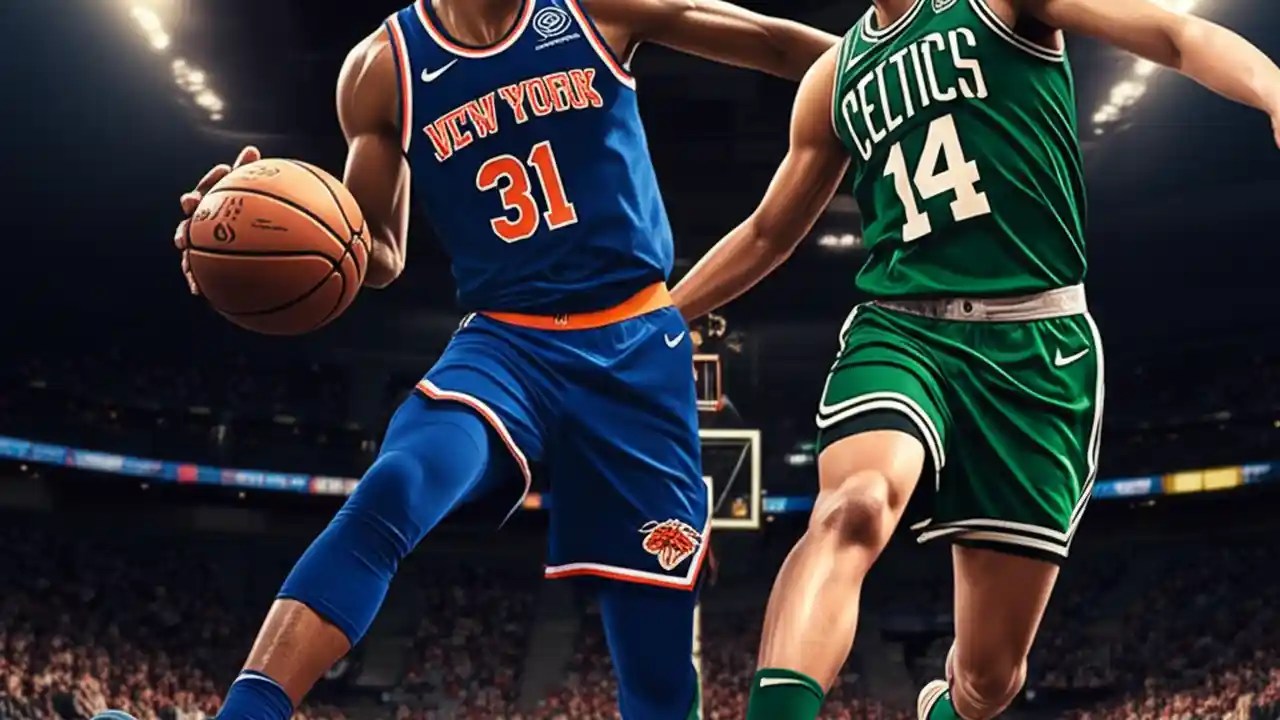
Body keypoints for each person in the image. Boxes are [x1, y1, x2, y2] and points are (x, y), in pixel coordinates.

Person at [171, 1, 834, 718]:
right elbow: (377, 254)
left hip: (635, 342)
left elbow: (780, 44)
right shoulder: (379, 68)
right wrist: (250, 221)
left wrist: (897, 74)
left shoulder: (594, 9)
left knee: (656, 652)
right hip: (506, 342)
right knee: (396, 483)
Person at [669, 0, 1280, 718]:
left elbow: (1177, 35)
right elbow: (770, 231)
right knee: (852, 505)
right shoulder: (832, 78)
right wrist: (656, 320)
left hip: (1038, 350)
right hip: (903, 329)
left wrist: (1271, 88)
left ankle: (948, 705)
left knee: (991, 678)